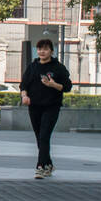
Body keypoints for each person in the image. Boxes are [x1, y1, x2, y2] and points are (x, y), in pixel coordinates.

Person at [20, 38, 72, 179]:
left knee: (44, 136)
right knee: (39, 137)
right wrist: (24, 96)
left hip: (51, 106)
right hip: (34, 106)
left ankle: (41, 167)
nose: (42, 52)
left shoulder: (58, 67)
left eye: (45, 49)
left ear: (51, 51)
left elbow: (67, 87)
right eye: (39, 49)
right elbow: (23, 85)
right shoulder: (33, 67)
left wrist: (53, 85)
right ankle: (48, 163)